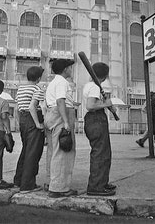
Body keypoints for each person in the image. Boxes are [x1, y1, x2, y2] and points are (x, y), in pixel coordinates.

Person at [83, 62, 117, 196]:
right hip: (96, 119)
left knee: (103, 153)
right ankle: (96, 187)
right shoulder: (95, 87)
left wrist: (105, 103)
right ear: (106, 75)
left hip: (94, 120)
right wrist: (106, 103)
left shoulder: (90, 85)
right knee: (100, 154)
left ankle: (101, 182)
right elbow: (90, 106)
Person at [44, 59, 77, 198]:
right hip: (60, 115)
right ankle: (59, 188)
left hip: (52, 114)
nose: (71, 70)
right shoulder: (62, 82)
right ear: (65, 69)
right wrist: (66, 122)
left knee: (53, 150)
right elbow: (60, 101)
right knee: (63, 151)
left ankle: (52, 182)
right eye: (70, 67)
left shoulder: (53, 82)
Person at [14, 66, 45, 193]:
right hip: (33, 119)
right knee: (33, 152)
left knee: (26, 150)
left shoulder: (21, 88)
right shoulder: (37, 88)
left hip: (23, 119)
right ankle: (27, 185)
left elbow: (16, 108)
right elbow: (33, 107)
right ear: (38, 78)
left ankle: (18, 180)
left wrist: (19, 122)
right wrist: (38, 123)